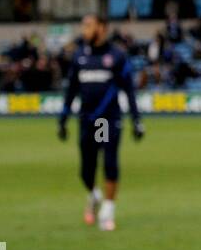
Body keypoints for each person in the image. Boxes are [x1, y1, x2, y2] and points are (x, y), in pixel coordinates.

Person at [58, 14, 143, 231]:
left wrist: (136, 120)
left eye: (88, 25)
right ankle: (94, 195)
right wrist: (63, 119)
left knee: (109, 163)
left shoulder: (116, 56)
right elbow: (71, 90)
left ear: (102, 28)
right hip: (86, 119)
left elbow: (129, 90)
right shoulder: (80, 56)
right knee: (86, 170)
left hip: (105, 121)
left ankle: (108, 211)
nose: (84, 30)